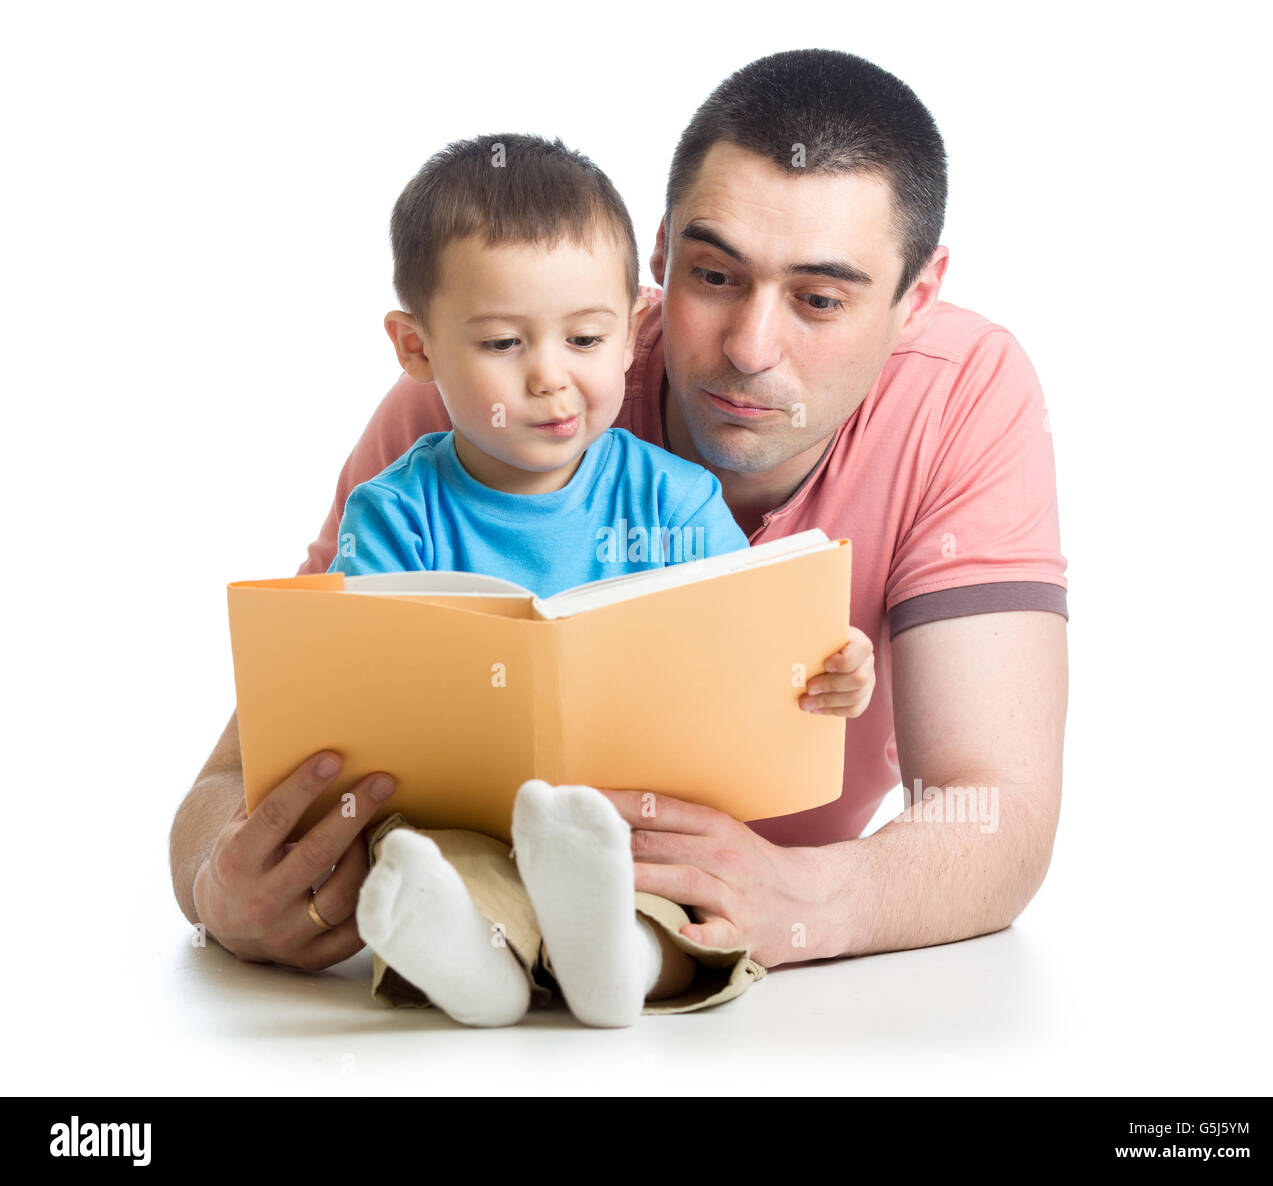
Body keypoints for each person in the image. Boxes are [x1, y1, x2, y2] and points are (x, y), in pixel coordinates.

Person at [172, 47, 1066, 985]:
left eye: (820, 299)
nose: (751, 350)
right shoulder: (486, 404)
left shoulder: (967, 396)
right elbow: (239, 775)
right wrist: (212, 887)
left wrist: (800, 901)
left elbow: (998, 813)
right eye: (713, 276)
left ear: (916, 299)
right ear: (662, 255)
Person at [323, 133, 871, 1026]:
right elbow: (352, 691)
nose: (550, 378)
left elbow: (755, 649)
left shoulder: (676, 500)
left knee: (670, 891)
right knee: (428, 868)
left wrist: (832, 668)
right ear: (415, 349)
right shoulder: (395, 514)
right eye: (502, 341)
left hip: (638, 824)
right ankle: (477, 973)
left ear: (633, 330)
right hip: (461, 823)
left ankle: (612, 957)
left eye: (585, 337)